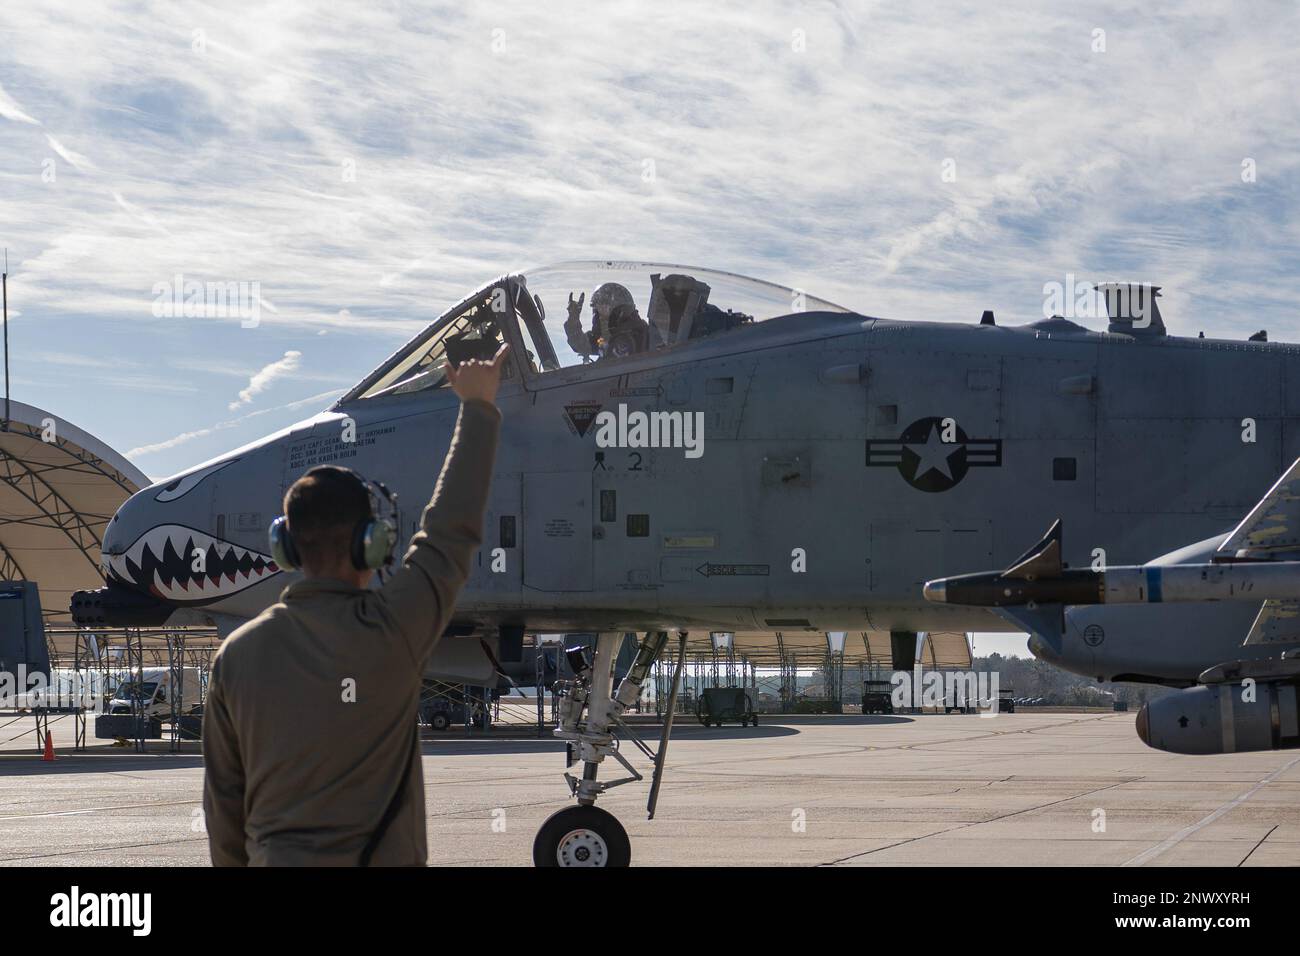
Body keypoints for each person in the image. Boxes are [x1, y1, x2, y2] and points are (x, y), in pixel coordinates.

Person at [201, 344, 510, 866]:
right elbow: (450, 528)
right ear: (373, 544)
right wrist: (477, 408)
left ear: (287, 547)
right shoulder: (394, 631)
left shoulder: (235, 656)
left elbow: (223, 810)